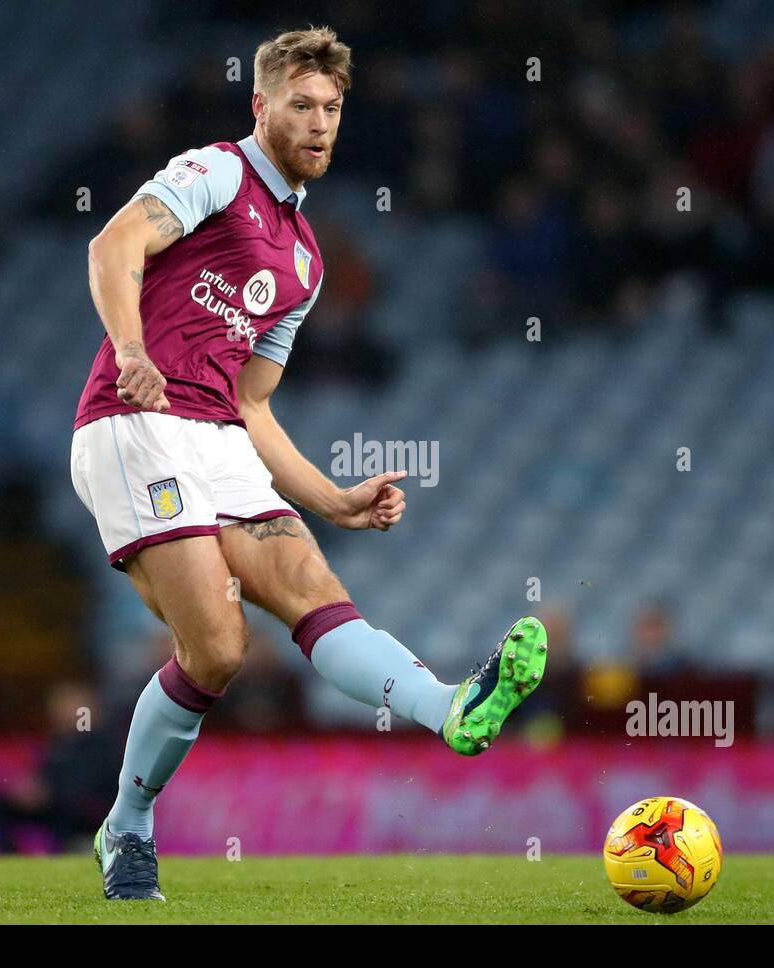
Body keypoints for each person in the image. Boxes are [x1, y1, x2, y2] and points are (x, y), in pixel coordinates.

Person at [71, 26, 548, 901]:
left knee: (313, 591)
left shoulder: (304, 262)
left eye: (332, 108)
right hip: (134, 421)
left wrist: (334, 499)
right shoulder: (217, 171)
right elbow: (112, 248)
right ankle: (125, 827)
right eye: (301, 105)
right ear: (262, 106)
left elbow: (252, 404)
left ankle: (450, 708)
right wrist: (130, 348)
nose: (320, 123)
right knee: (217, 651)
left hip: (216, 433)